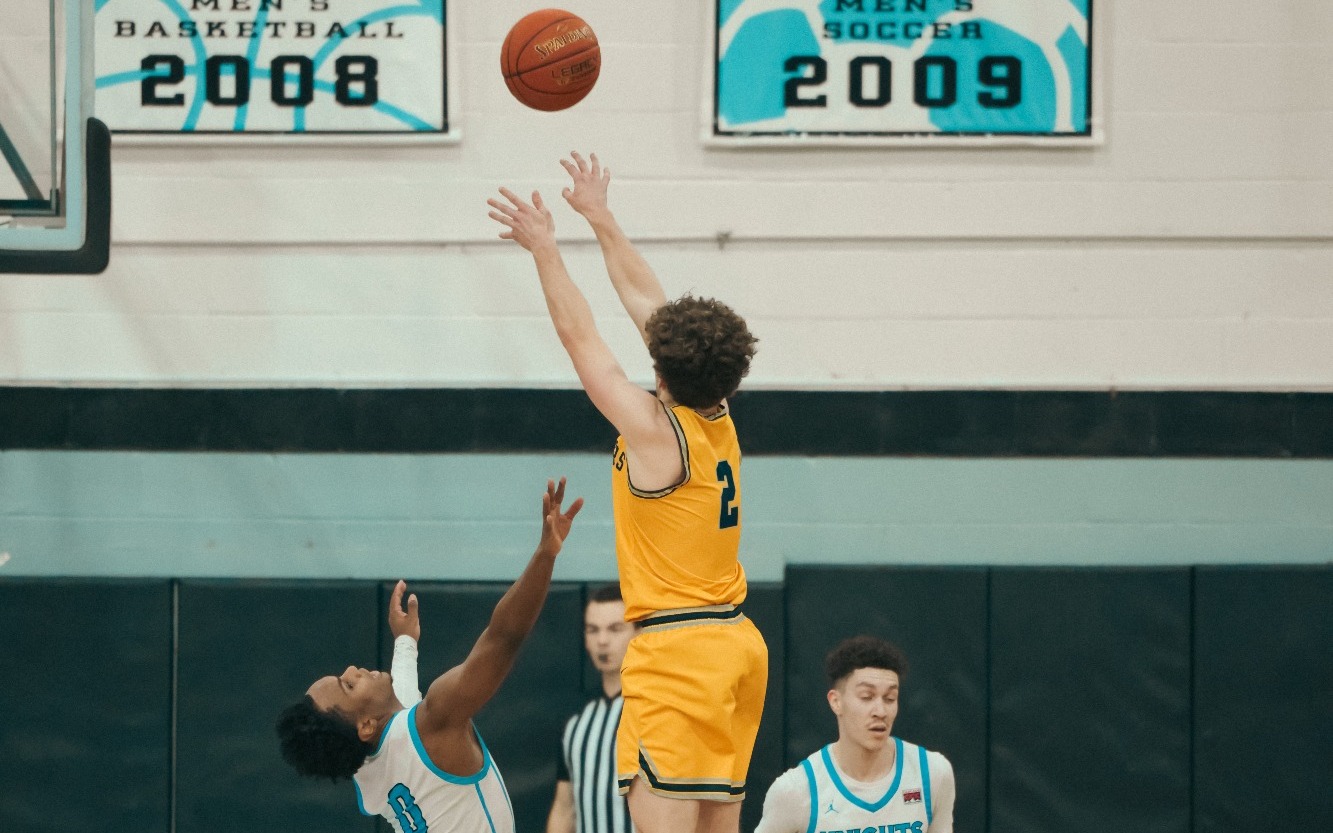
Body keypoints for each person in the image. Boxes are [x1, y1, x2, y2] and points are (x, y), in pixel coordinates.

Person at [488, 152, 767, 833]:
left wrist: (546, 248)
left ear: (662, 370)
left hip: (679, 653)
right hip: (734, 647)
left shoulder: (656, 434)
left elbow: (582, 340)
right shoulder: (715, 412)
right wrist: (601, 217)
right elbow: (652, 303)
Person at [275, 478, 584, 833]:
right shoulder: (436, 721)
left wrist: (405, 643)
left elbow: (400, 713)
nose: (351, 669)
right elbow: (504, 638)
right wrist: (545, 554)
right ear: (364, 725)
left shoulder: (363, 769)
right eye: (347, 686)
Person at [754, 635, 955, 833]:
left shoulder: (932, 773)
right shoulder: (795, 791)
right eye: (867, 697)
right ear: (836, 702)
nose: (881, 711)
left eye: (890, 698)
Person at [546, 583, 639, 833]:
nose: (602, 641)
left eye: (615, 629)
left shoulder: (660, 713)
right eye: (592, 630)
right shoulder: (576, 719)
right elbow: (564, 808)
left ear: (638, 633)